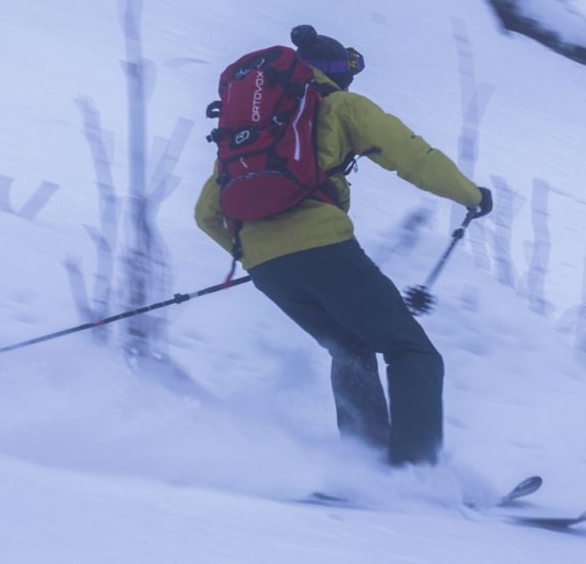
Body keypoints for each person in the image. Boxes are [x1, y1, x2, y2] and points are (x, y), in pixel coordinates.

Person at [194, 24, 492, 467]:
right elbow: (411, 156)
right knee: (411, 351)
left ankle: (363, 468)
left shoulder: (253, 134)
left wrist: (256, 256)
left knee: (349, 347)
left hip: (269, 271)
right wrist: (471, 195)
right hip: (323, 248)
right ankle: (416, 475)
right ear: (335, 75)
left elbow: (206, 215)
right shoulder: (340, 105)